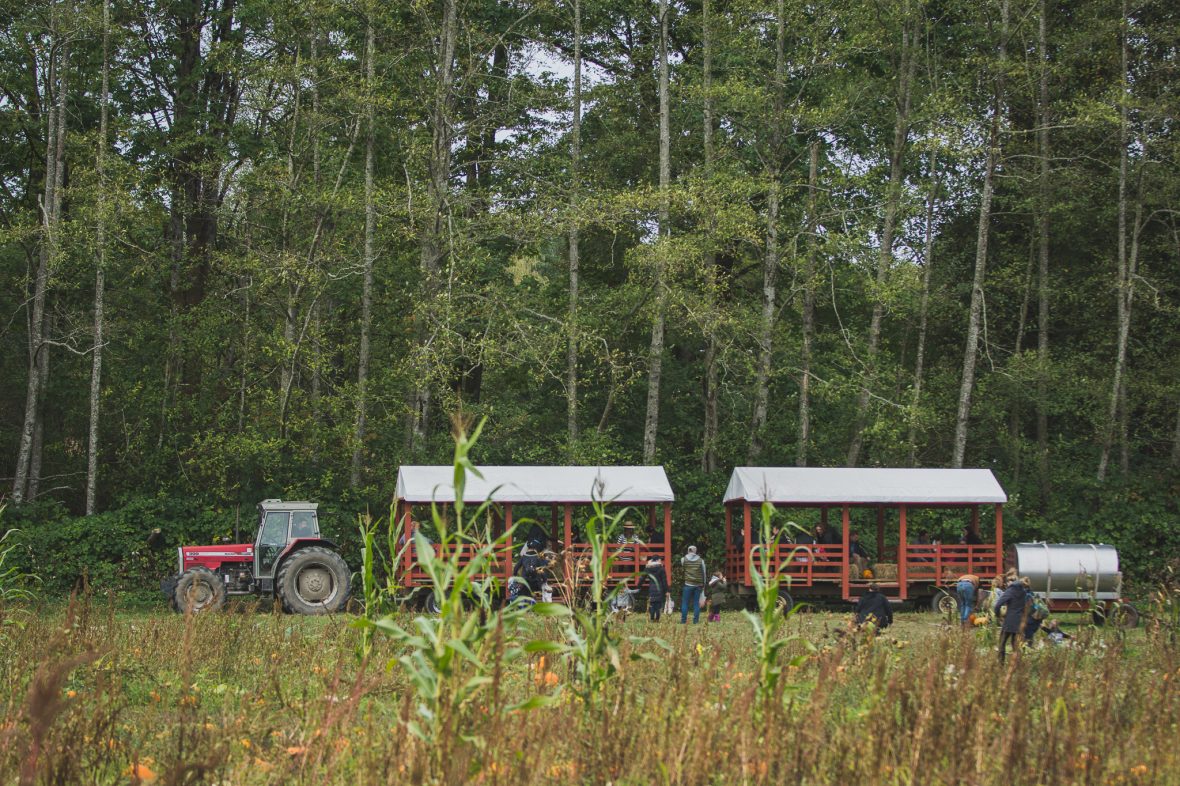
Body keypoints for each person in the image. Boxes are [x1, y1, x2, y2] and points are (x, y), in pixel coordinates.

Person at [994, 574, 1030, 663]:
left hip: (1009, 622)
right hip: (1019, 622)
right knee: (1015, 645)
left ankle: (1000, 664)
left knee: (1002, 643)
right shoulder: (1024, 591)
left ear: (1011, 582)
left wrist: (998, 615)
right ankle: (1016, 664)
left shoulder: (1010, 591)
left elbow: (998, 604)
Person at [680, 545, 707, 624]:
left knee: (685, 603)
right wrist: (704, 585)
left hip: (688, 584)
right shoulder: (701, 560)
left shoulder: (683, 559)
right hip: (698, 585)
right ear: (695, 551)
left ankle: (683, 621)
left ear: (688, 550)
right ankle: (695, 621)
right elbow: (704, 573)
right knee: (696, 603)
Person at [637, 557, 668, 622]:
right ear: (657, 560)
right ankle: (657, 618)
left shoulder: (647, 568)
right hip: (659, 588)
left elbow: (642, 578)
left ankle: (651, 618)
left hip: (651, 587)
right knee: (658, 604)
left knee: (652, 603)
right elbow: (664, 581)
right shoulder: (661, 568)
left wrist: (638, 586)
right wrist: (666, 590)